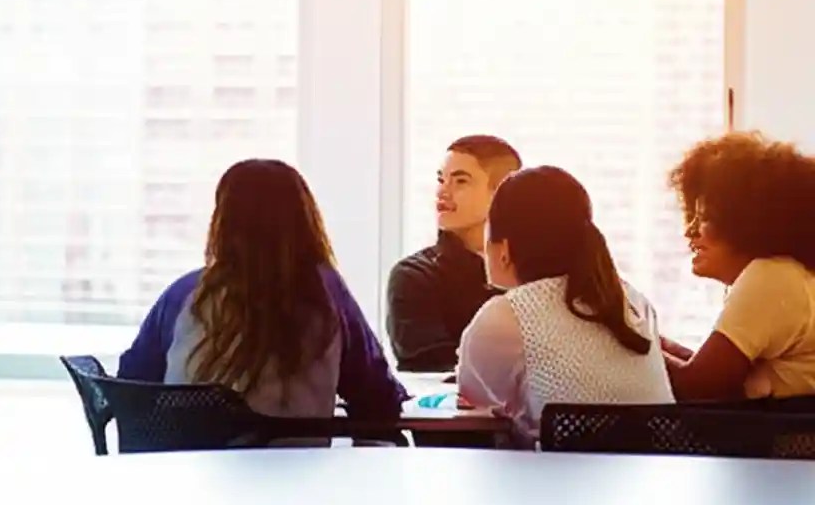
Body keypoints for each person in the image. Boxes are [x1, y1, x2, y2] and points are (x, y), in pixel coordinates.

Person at [118, 159, 408, 422]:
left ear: (222, 221)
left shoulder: (184, 295)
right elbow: (377, 397)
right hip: (300, 475)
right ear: (305, 220)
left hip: (192, 471)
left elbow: (129, 386)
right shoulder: (326, 294)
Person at [457, 166, 674, 444]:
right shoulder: (633, 300)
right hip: (654, 477)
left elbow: (472, 402)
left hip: (558, 482)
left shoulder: (506, 317)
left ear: (505, 250)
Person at [663, 132, 815, 402]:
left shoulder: (773, 278)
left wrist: (620, 336)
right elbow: (715, 371)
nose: (690, 232)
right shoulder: (796, 278)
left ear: (747, 222)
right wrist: (645, 337)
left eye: (704, 218)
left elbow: (699, 386)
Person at [386, 135, 522, 371]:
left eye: (460, 181)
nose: (442, 192)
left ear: (501, 192)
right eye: (441, 179)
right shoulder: (414, 276)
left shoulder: (532, 272)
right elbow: (430, 365)